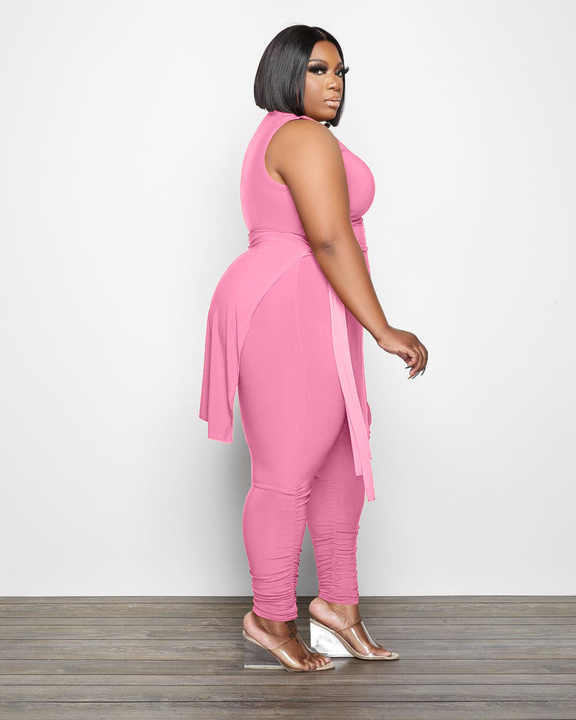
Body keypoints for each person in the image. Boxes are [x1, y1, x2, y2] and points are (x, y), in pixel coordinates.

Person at [199, 25, 428, 672]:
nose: (334, 84)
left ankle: (337, 608)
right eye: (318, 70)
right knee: (287, 468)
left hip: (318, 304)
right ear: (286, 73)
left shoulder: (298, 134)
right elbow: (328, 238)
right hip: (286, 303)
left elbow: (332, 241)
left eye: (340, 72)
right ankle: (270, 616)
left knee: (341, 458)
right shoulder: (299, 136)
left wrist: (363, 323)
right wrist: (384, 329)